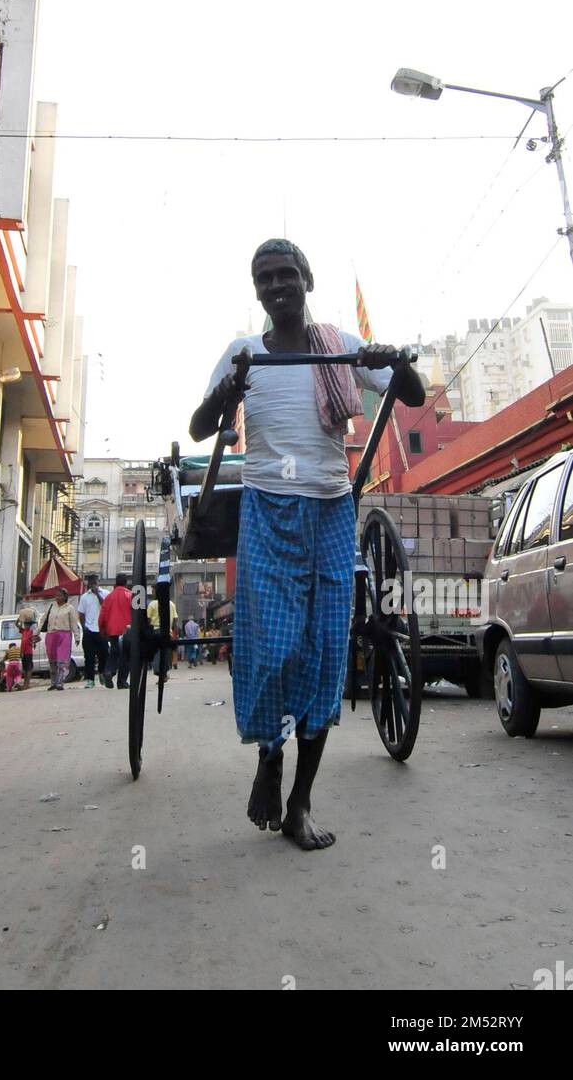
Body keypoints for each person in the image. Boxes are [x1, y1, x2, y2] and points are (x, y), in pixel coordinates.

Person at [189, 238, 424, 852]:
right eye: (264, 277)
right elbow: (198, 425)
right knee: (271, 651)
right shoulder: (243, 353)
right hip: (267, 512)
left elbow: (414, 393)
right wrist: (228, 392)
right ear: (257, 289)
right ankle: (270, 754)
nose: (276, 286)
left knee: (322, 654)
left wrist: (394, 360)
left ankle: (300, 804)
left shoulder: (342, 346)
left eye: (286, 274)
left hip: (329, 512)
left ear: (307, 279)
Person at [39, 587, 81, 690]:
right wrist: (36, 632)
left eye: (59, 596)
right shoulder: (51, 606)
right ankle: (53, 682)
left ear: (65, 597)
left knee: (61, 660)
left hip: (64, 635)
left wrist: (77, 636)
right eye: (56, 595)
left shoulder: (70, 608)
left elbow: (73, 623)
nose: (57, 597)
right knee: (52, 660)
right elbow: (44, 620)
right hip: (51, 635)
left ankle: (60, 682)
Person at [98, 574, 132, 688]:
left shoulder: (109, 597)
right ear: (126, 583)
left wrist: (102, 629)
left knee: (114, 651)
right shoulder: (130, 595)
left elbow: (102, 615)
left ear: (115, 583)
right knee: (126, 655)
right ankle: (121, 682)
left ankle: (109, 671)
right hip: (126, 630)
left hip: (112, 630)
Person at [77, 575, 109, 688]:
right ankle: (90, 679)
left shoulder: (106, 593)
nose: (93, 585)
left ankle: (101, 672)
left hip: (102, 629)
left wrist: (97, 594)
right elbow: (81, 613)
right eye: (91, 583)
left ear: (99, 582)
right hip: (89, 630)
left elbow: (106, 606)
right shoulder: (84, 597)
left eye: (95, 582)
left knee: (104, 654)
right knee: (89, 657)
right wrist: (84, 626)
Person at [146, 594, 178, 680]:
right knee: (166, 653)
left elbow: (148, 619)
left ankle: (159, 671)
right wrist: (175, 634)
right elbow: (175, 621)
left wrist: (147, 632)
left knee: (157, 652)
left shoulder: (152, 604)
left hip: (155, 631)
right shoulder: (171, 604)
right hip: (168, 632)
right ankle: (164, 673)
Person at [17, 608, 38, 690]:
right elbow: (16, 624)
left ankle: (27, 684)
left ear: (29, 625)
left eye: (27, 624)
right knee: (25, 669)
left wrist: (33, 641)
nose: (25, 625)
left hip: (28, 652)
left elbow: (38, 638)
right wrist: (20, 618)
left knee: (28, 669)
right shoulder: (23, 631)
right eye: (25, 624)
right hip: (23, 653)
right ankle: (25, 684)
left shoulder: (31, 631)